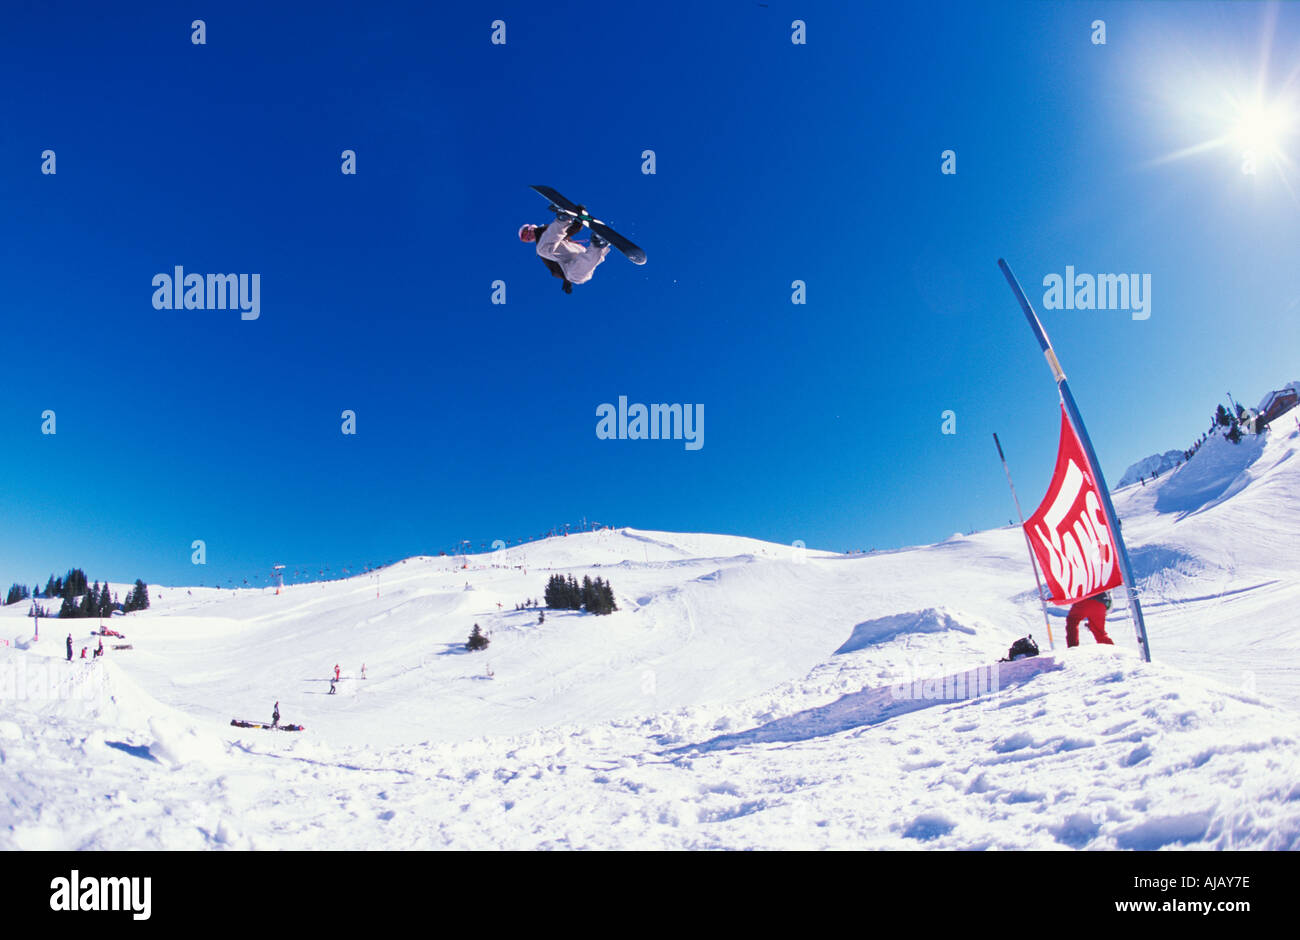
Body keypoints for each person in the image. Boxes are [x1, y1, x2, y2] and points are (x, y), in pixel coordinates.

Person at [518, 209, 611, 294]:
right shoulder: (544, 241)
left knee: (541, 249)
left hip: (569, 251)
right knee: (575, 277)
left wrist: (575, 219)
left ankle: (563, 219)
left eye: (526, 232)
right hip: (572, 262)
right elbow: (553, 267)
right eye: (525, 239)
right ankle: (598, 244)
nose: (528, 237)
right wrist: (566, 280)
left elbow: (568, 231)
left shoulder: (545, 231)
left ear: (531, 227)